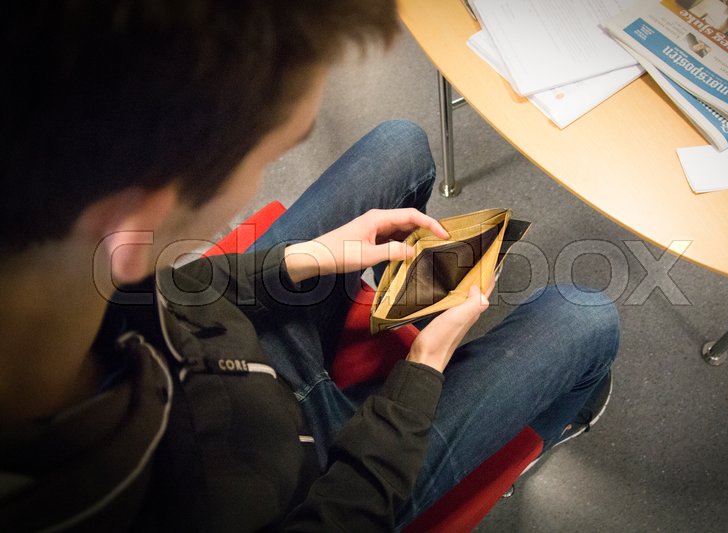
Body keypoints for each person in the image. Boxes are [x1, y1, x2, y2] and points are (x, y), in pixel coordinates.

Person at [0, 1, 619, 531]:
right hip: (317, 476)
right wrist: (422, 372)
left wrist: (303, 259)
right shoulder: (113, 503)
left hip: (236, 345)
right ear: (140, 214)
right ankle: (546, 430)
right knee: (587, 320)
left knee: (398, 145)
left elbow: (175, 292)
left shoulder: (64, 247)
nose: (264, 179)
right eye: (272, 154)